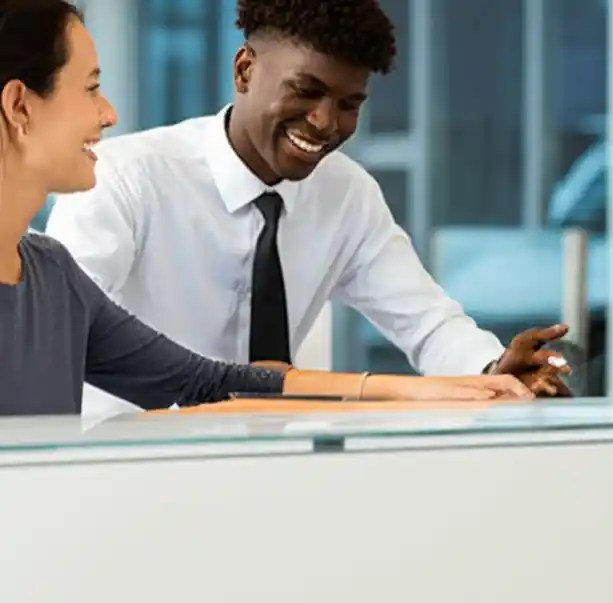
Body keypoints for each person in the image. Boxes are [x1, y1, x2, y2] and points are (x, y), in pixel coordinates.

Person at [0, 0, 533, 417]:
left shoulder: (346, 196)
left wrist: (485, 376)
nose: (325, 122)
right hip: (124, 473)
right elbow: (69, 366)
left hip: (262, 468)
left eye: (349, 105)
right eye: (306, 90)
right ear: (245, 70)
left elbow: (426, 322)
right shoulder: (130, 180)